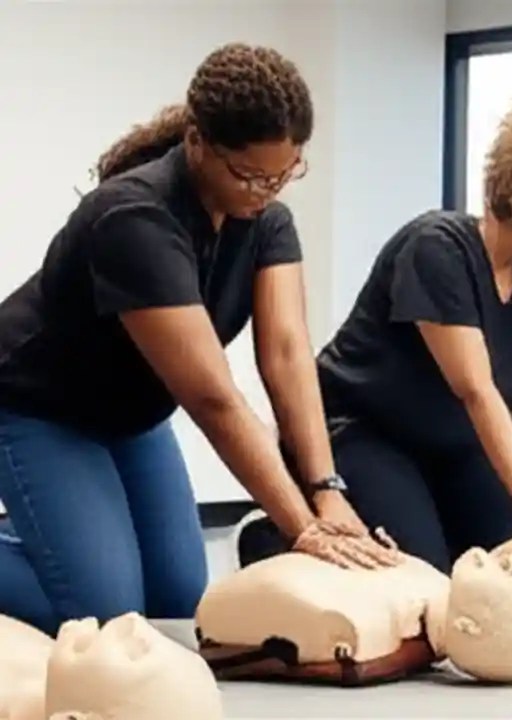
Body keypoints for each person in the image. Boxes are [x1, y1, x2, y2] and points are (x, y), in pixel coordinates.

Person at [0, 44, 398, 636]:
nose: (266, 190)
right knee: (107, 615)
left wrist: (326, 491)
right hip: (38, 407)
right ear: (197, 144)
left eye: (284, 173)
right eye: (249, 175)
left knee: (178, 599)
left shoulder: (267, 222)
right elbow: (213, 397)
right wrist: (302, 529)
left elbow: (287, 356)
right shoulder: (133, 218)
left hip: (131, 416)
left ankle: (52, 533)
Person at [236, 98, 512, 573]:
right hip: (362, 431)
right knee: (421, 573)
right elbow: (476, 388)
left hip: (451, 445)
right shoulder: (437, 248)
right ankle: (272, 538)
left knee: (511, 565)